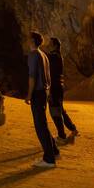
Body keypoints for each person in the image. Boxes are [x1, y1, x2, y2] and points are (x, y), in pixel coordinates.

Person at [26, 32, 58, 168]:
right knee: (43, 124)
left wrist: (28, 95)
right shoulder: (44, 55)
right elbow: (49, 77)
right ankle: (54, 151)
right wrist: (48, 92)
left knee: (40, 126)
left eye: (28, 39)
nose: (26, 41)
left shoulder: (33, 55)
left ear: (33, 41)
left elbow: (32, 77)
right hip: (43, 92)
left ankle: (49, 159)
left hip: (37, 94)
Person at [46, 36, 79, 143]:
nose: (48, 45)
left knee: (55, 111)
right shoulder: (57, 56)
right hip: (58, 87)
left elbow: (51, 73)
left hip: (54, 87)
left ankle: (62, 136)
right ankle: (73, 129)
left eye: (50, 44)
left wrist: (49, 89)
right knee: (60, 110)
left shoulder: (53, 56)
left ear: (55, 45)